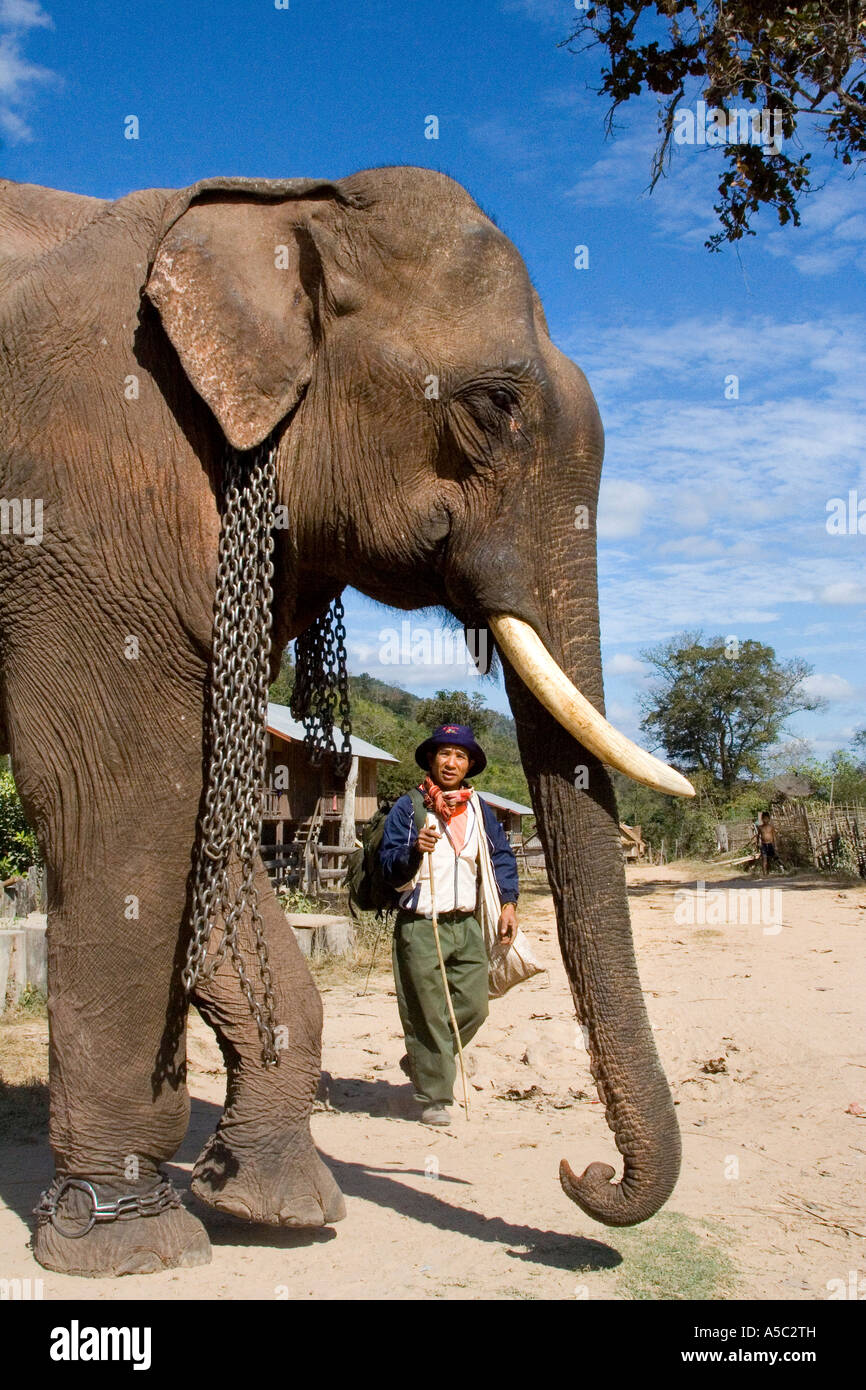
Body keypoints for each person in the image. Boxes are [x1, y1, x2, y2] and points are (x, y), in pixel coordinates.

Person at [379, 723, 519, 1127]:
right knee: (426, 1013)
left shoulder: (480, 810)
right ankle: (435, 1098)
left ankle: (423, 1059)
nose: (451, 762)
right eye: (444, 754)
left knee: (475, 1007)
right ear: (431, 759)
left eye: (460, 756)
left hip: (467, 925)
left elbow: (501, 858)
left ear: (470, 764)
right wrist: (413, 851)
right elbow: (389, 867)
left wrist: (509, 903)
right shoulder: (410, 807)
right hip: (421, 925)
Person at [756, 811, 778, 877]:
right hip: (764, 845)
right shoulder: (760, 827)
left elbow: (774, 836)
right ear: (762, 819)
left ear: (769, 819)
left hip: (770, 844)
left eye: (766, 818)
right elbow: (758, 836)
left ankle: (768, 872)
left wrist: (776, 845)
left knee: (770, 859)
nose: (765, 820)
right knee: (764, 859)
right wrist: (757, 844)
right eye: (764, 819)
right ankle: (764, 874)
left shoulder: (771, 827)